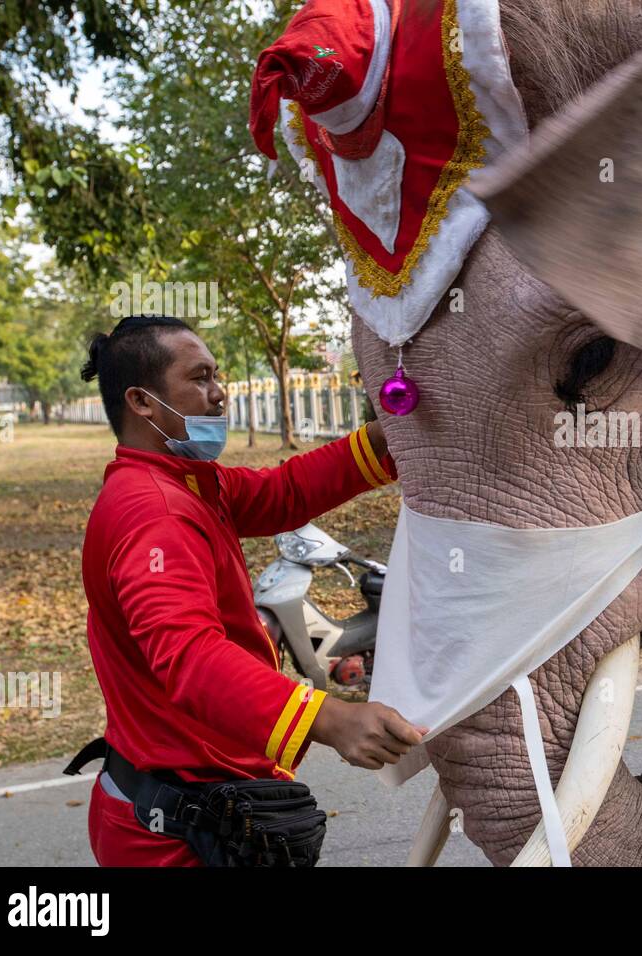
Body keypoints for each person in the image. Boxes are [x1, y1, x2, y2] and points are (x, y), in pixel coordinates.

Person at [73, 314, 424, 866]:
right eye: (201, 377)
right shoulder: (154, 513)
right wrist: (330, 718)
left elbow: (282, 493)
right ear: (142, 402)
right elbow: (189, 656)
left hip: (189, 800)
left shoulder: (184, 482)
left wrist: (384, 441)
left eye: (218, 376)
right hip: (176, 835)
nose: (220, 394)